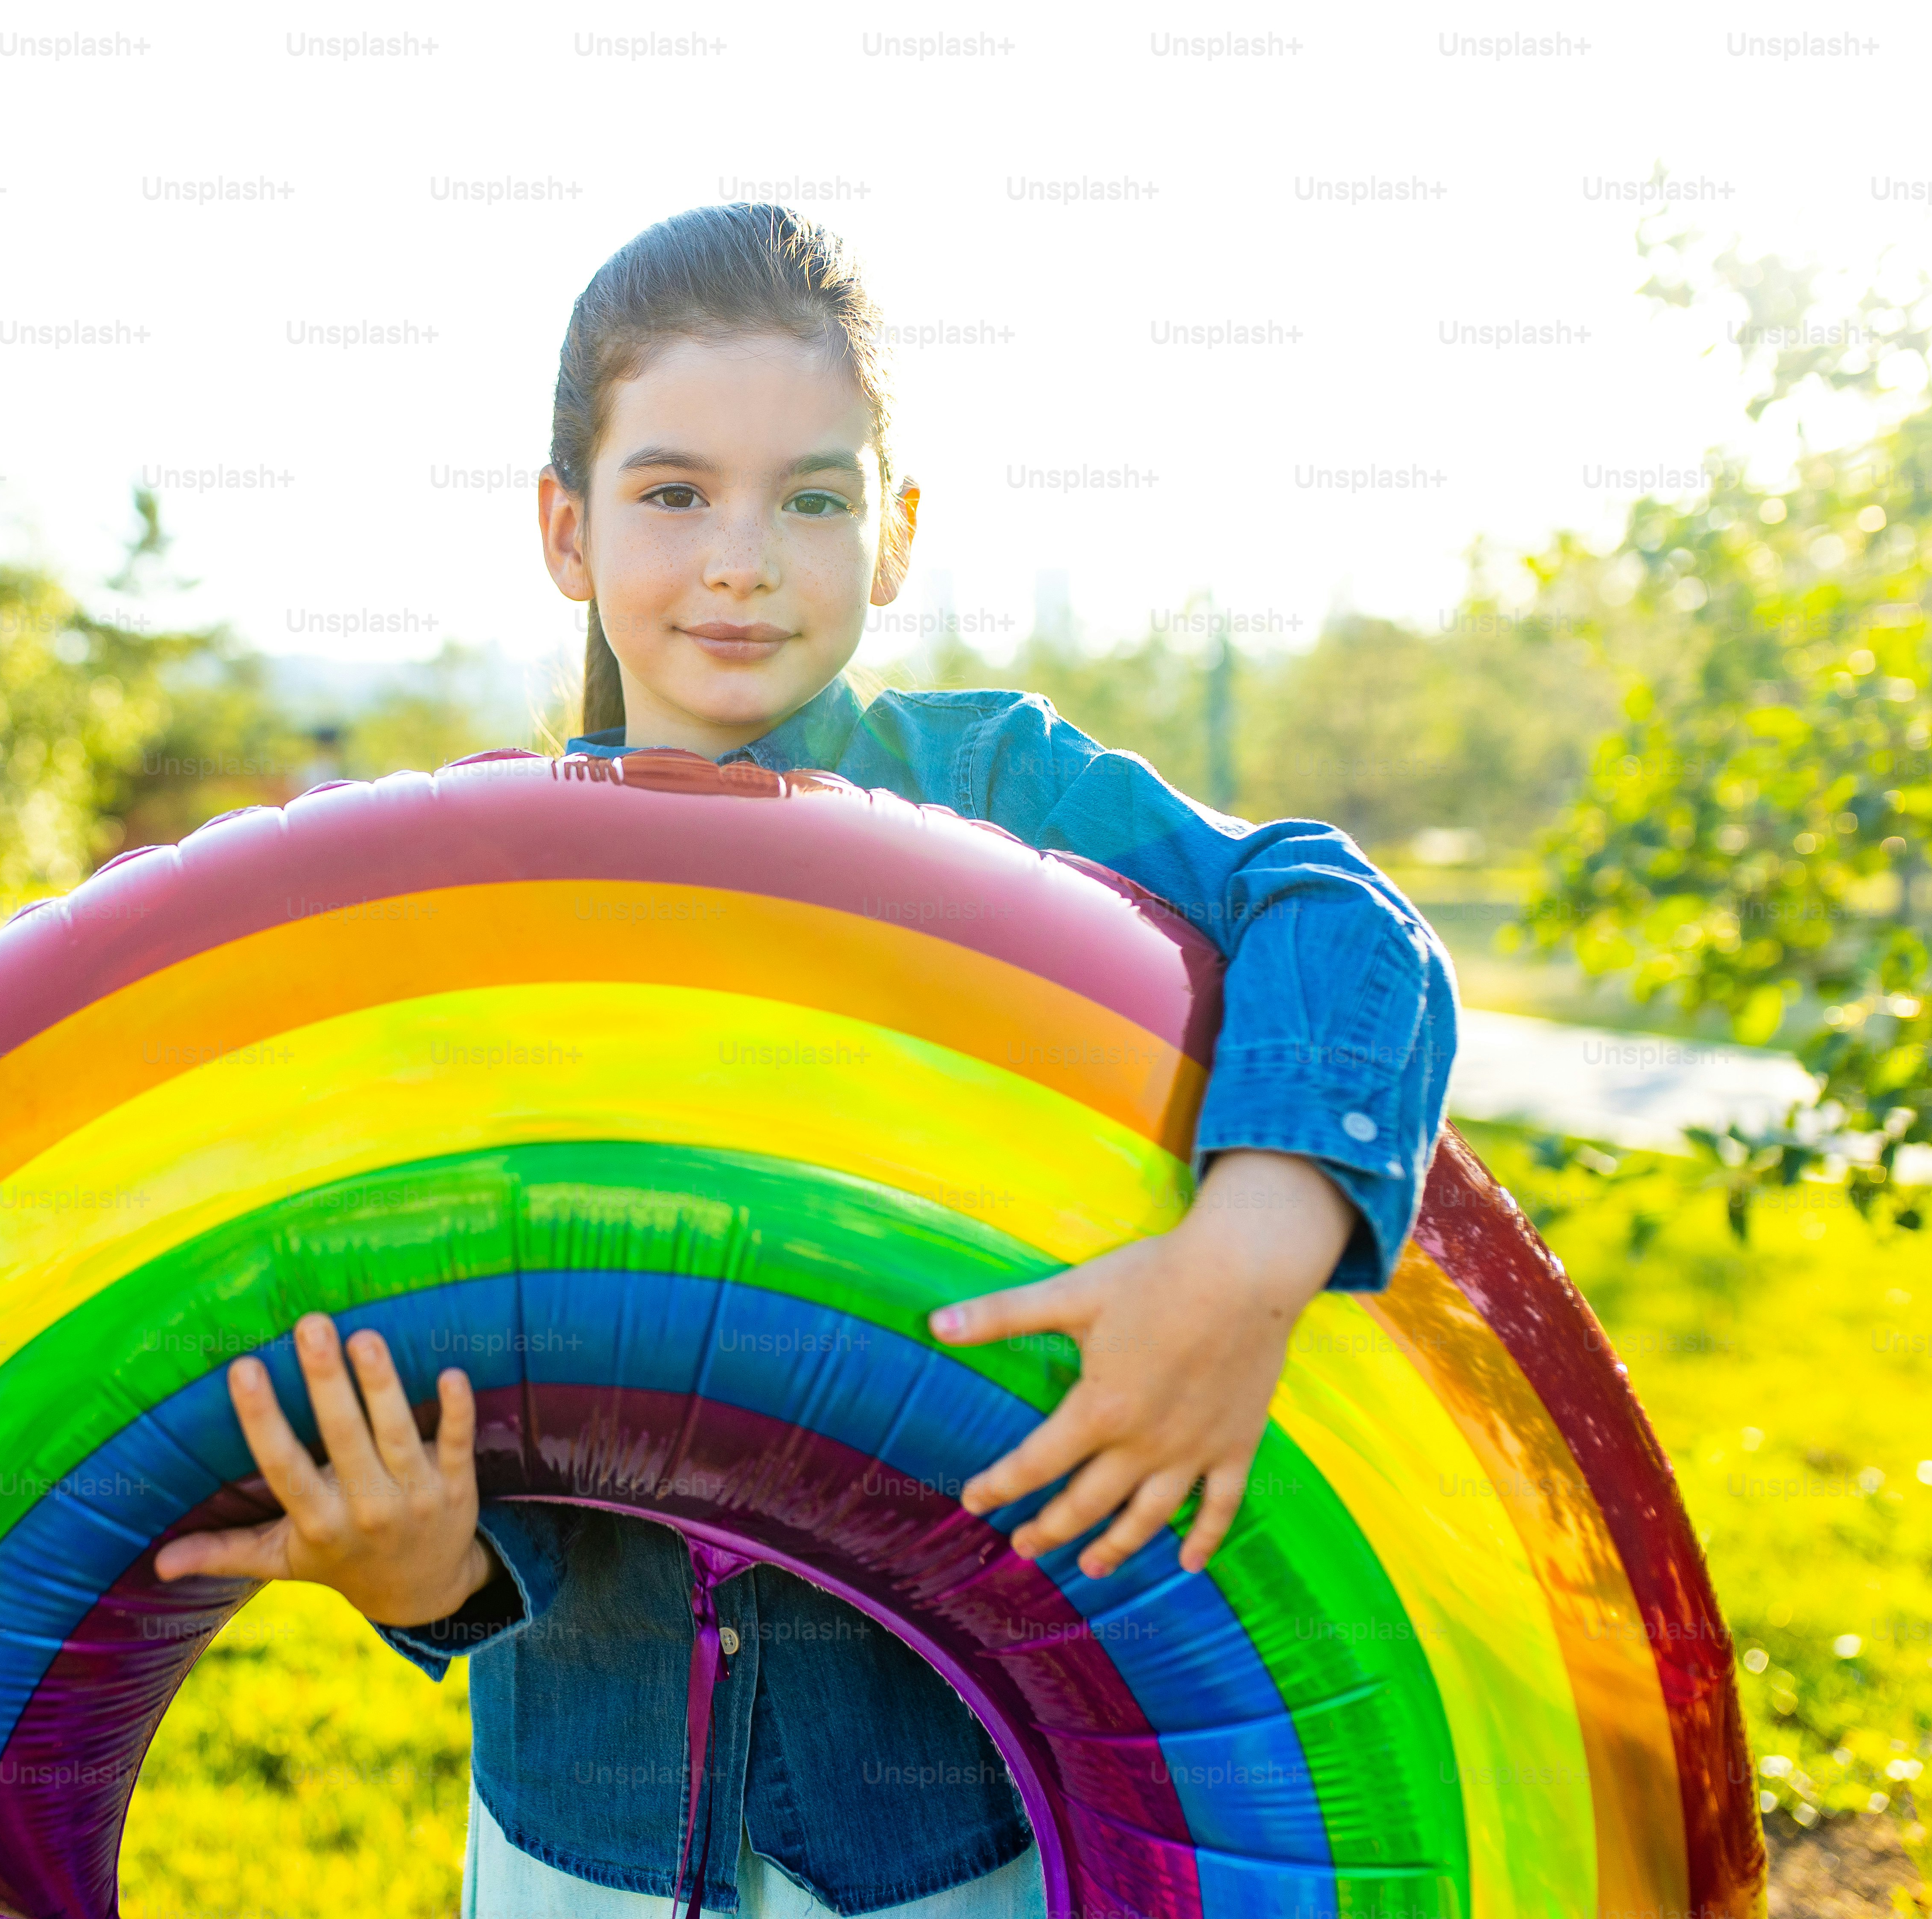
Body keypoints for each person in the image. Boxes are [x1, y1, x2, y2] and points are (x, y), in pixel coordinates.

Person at [153, 202, 1458, 1918]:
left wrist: (1247, 1258)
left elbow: (1346, 919)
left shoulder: (1002, 804)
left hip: (949, 1835)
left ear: (897, 534)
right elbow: (467, 1336)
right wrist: (424, 1572)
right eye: (675, 491)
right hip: (585, 1839)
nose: (743, 559)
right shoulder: (485, 902)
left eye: (815, 498)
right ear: (567, 528)